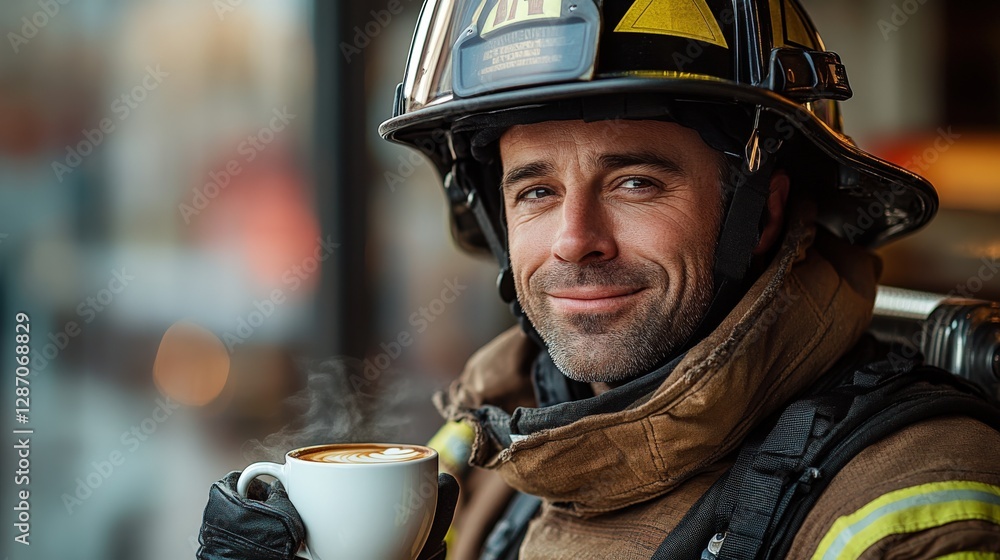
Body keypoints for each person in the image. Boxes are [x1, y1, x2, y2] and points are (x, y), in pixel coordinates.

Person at [198, 0, 1000, 558]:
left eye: (636, 183)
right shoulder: (500, 437)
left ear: (762, 209)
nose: (574, 241)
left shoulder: (915, 505)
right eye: (537, 190)